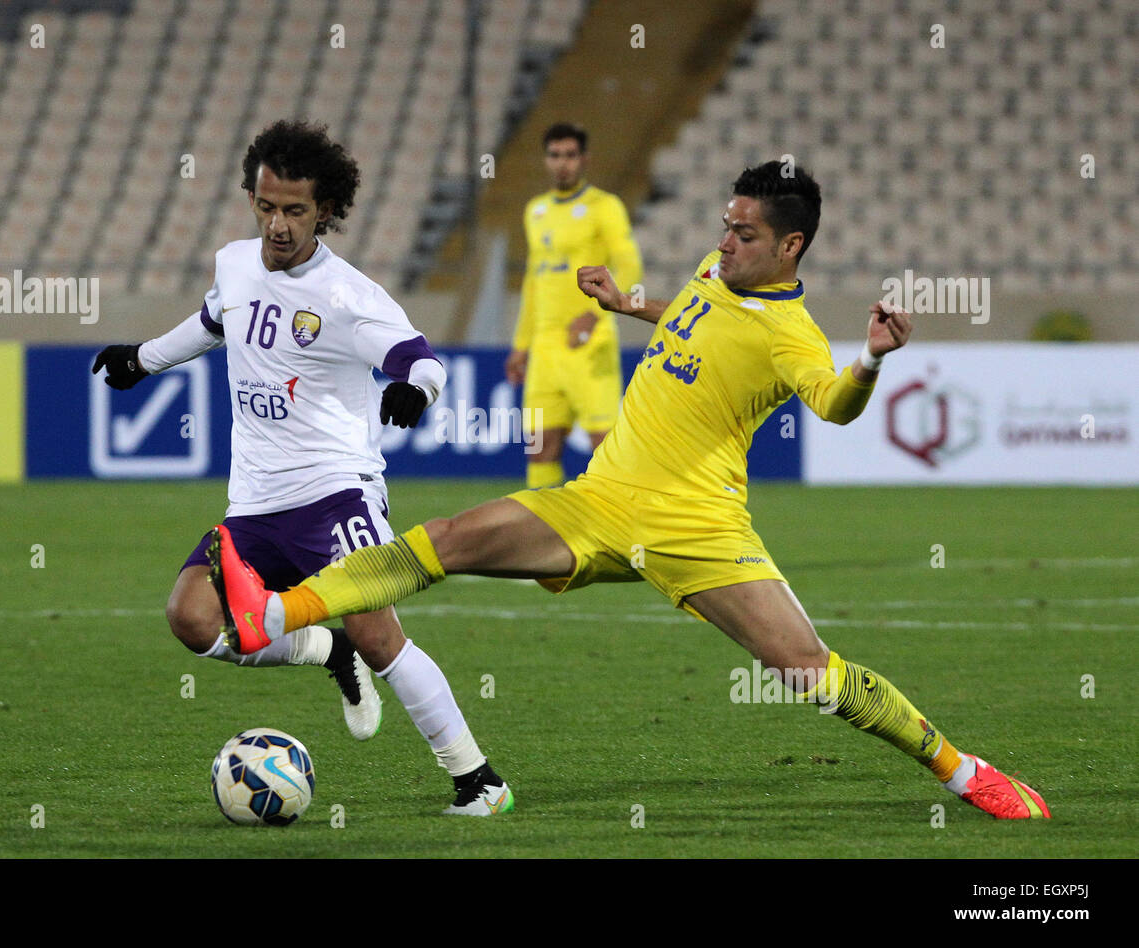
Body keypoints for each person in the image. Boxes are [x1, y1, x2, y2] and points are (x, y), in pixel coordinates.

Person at [209, 159, 1050, 821]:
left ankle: (963, 771)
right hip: (600, 499)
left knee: (808, 674)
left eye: (745, 234)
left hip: (697, 529)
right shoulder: (715, 273)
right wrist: (625, 303)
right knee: (449, 538)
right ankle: (278, 615)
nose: (725, 243)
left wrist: (868, 358)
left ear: (791, 248)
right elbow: (691, 306)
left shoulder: (791, 335)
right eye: (724, 226)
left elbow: (832, 405)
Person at [92, 120, 511, 816]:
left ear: (326, 211)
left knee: (380, 634)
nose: (277, 225)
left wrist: (416, 389)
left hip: (334, 493)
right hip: (253, 505)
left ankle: (479, 780)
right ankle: (325, 651)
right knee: (192, 619)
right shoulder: (234, 263)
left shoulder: (348, 297)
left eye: (293, 210)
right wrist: (142, 360)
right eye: (266, 206)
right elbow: (213, 321)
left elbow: (422, 358)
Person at [504, 122, 642, 487]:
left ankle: (617, 534)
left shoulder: (604, 206)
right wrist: (521, 345)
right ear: (546, 160)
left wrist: (595, 314)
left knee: (605, 448)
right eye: (554, 155)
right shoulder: (535, 211)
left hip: (589, 343)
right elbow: (534, 280)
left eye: (569, 155)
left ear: (584, 160)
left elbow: (629, 263)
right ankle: (545, 536)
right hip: (545, 348)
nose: (562, 163)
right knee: (540, 448)